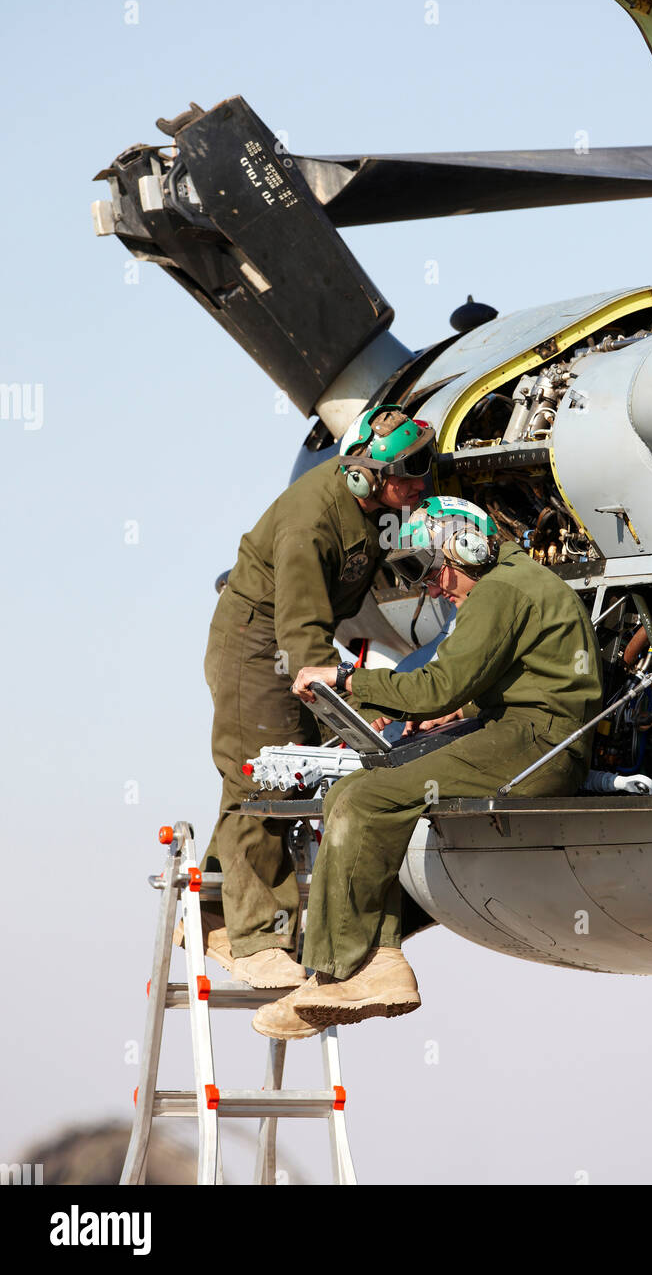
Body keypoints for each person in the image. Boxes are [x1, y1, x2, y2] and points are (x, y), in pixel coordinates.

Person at [251, 495, 603, 1038]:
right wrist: (456, 712)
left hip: (537, 744)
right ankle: (355, 967)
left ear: (467, 547)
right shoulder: (514, 582)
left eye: (435, 573)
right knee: (355, 788)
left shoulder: (502, 590)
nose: (436, 589)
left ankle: (352, 968)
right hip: (520, 731)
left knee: (367, 799)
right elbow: (495, 680)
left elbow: (437, 686)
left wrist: (345, 679)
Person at [180, 406, 435, 988]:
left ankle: (213, 913)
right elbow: (300, 618)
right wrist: (321, 677)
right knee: (263, 779)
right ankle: (253, 940)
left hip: (297, 644)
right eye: (410, 472)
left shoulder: (373, 509)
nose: (421, 484)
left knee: (315, 766)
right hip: (256, 646)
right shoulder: (311, 518)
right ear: (368, 472)